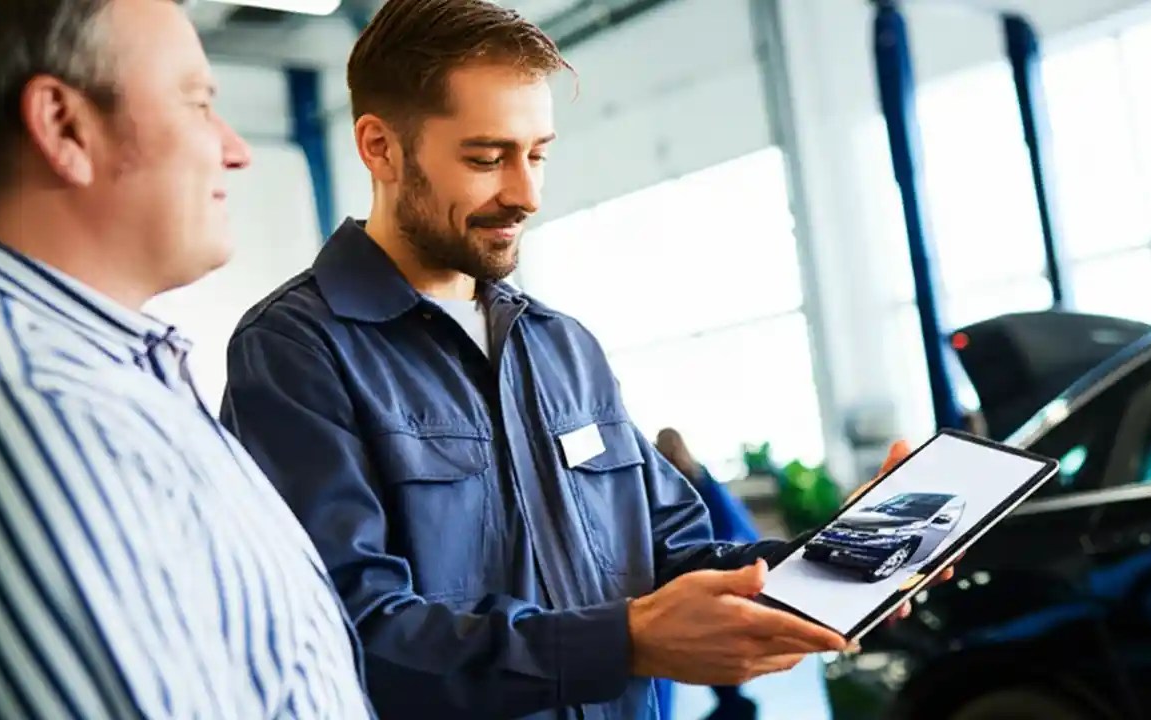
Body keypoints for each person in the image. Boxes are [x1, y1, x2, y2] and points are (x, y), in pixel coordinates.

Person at [218, 1, 950, 718]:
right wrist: (624, 642)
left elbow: (675, 556)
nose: (526, 193)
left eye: (537, 154)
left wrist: (833, 566)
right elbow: (351, 629)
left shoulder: (562, 347)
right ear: (380, 147)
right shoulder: (296, 350)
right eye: (486, 158)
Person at [0, 1, 375, 718]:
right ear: (64, 127)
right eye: (198, 104)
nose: (236, 150)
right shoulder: (46, 404)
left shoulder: (120, 376)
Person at [655, 428, 764, 720]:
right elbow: (731, 521)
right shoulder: (699, 479)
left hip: (693, 570)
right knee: (713, 637)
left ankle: (732, 700)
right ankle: (732, 698)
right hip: (709, 568)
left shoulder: (673, 482)